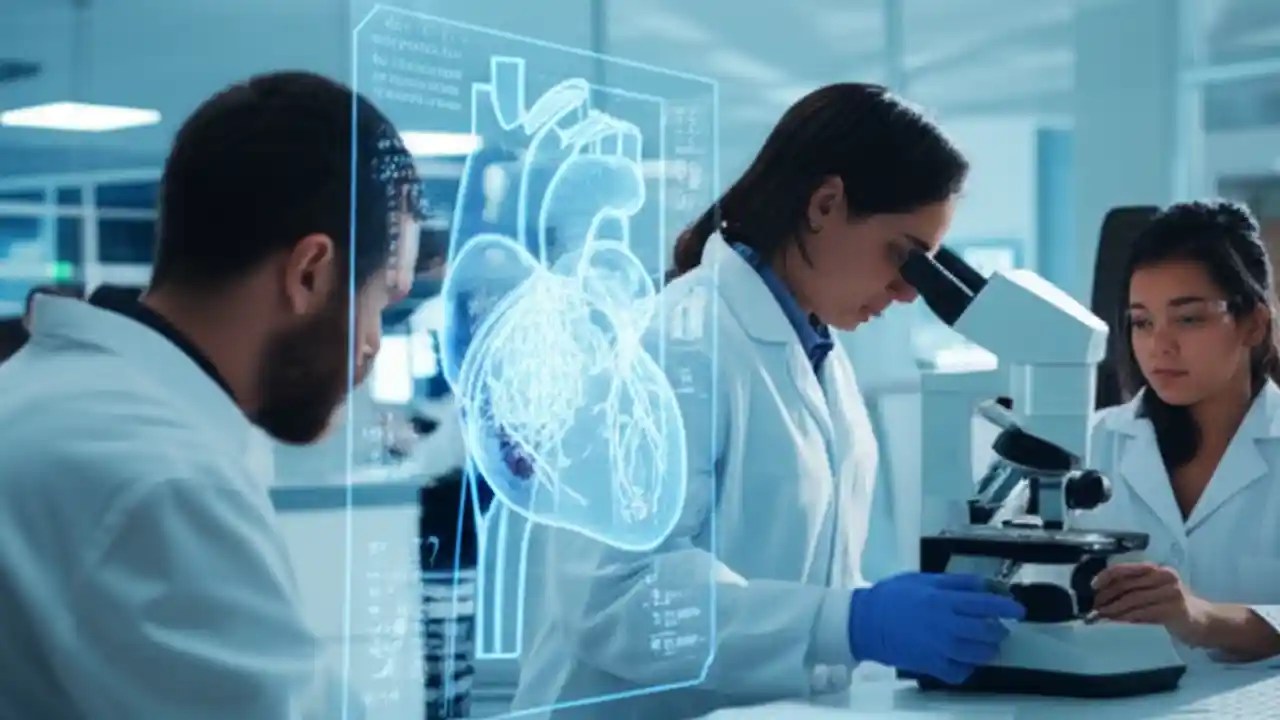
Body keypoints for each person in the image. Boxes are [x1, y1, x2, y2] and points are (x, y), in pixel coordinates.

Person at [513, 83, 1026, 719]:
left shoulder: (815, 351)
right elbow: (615, 596)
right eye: (904, 256)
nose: (906, 292)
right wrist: (854, 620)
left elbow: (794, 584)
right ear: (825, 204)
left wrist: (876, 613)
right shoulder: (677, 343)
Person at [0, 71, 422, 719]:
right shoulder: (161, 477)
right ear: (309, 273)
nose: (371, 344)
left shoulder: (56, 398)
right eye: (380, 303)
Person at [1082, 199, 1280, 664]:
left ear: (1254, 323)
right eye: (1142, 322)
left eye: (1188, 318)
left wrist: (1205, 619)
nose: (1159, 346)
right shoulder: (1089, 444)